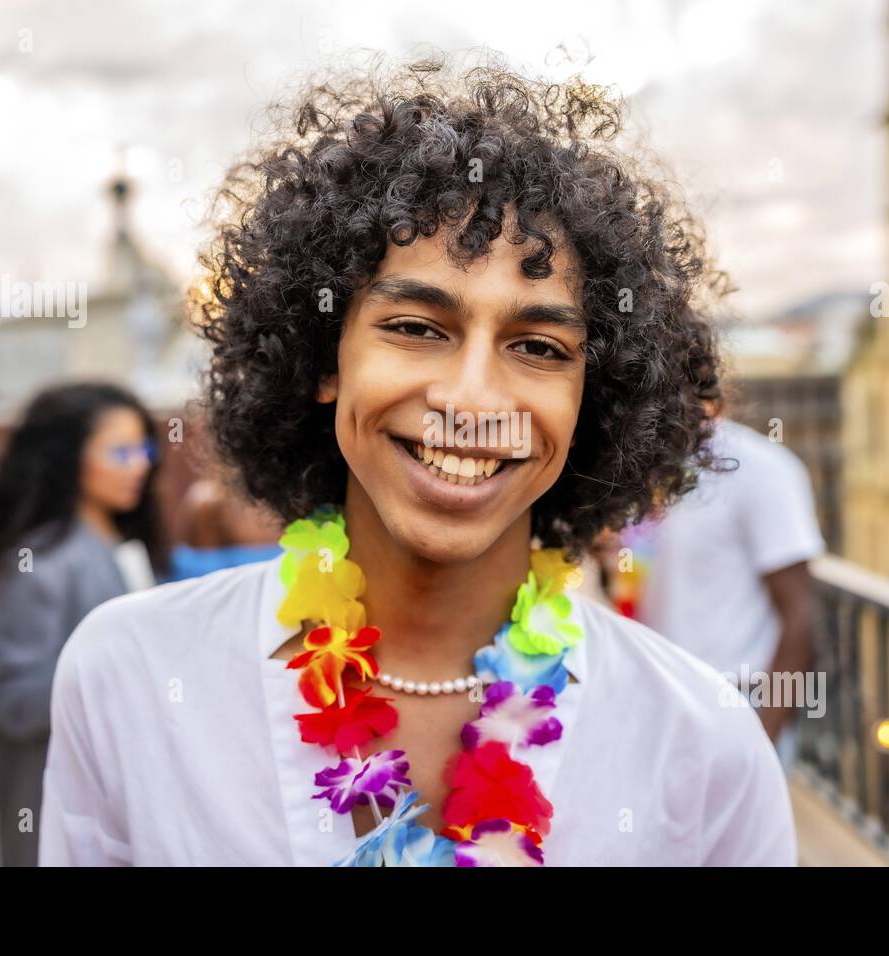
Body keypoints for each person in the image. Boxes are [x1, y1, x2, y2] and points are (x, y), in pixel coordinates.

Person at [39, 54, 797, 866]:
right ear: (326, 361)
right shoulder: (128, 677)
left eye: (537, 346)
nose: (471, 401)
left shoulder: (706, 746)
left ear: (592, 403)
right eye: (415, 328)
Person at [0, 381, 168, 866]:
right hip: (57, 812)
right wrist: (128, 674)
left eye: (144, 448)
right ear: (66, 458)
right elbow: (15, 702)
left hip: (124, 799)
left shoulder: (122, 539)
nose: (140, 463)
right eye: (120, 451)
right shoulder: (36, 562)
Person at [632, 414, 825, 772]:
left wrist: (761, 747)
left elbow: (801, 619)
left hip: (735, 714)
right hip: (661, 715)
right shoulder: (643, 464)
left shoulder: (761, 469)